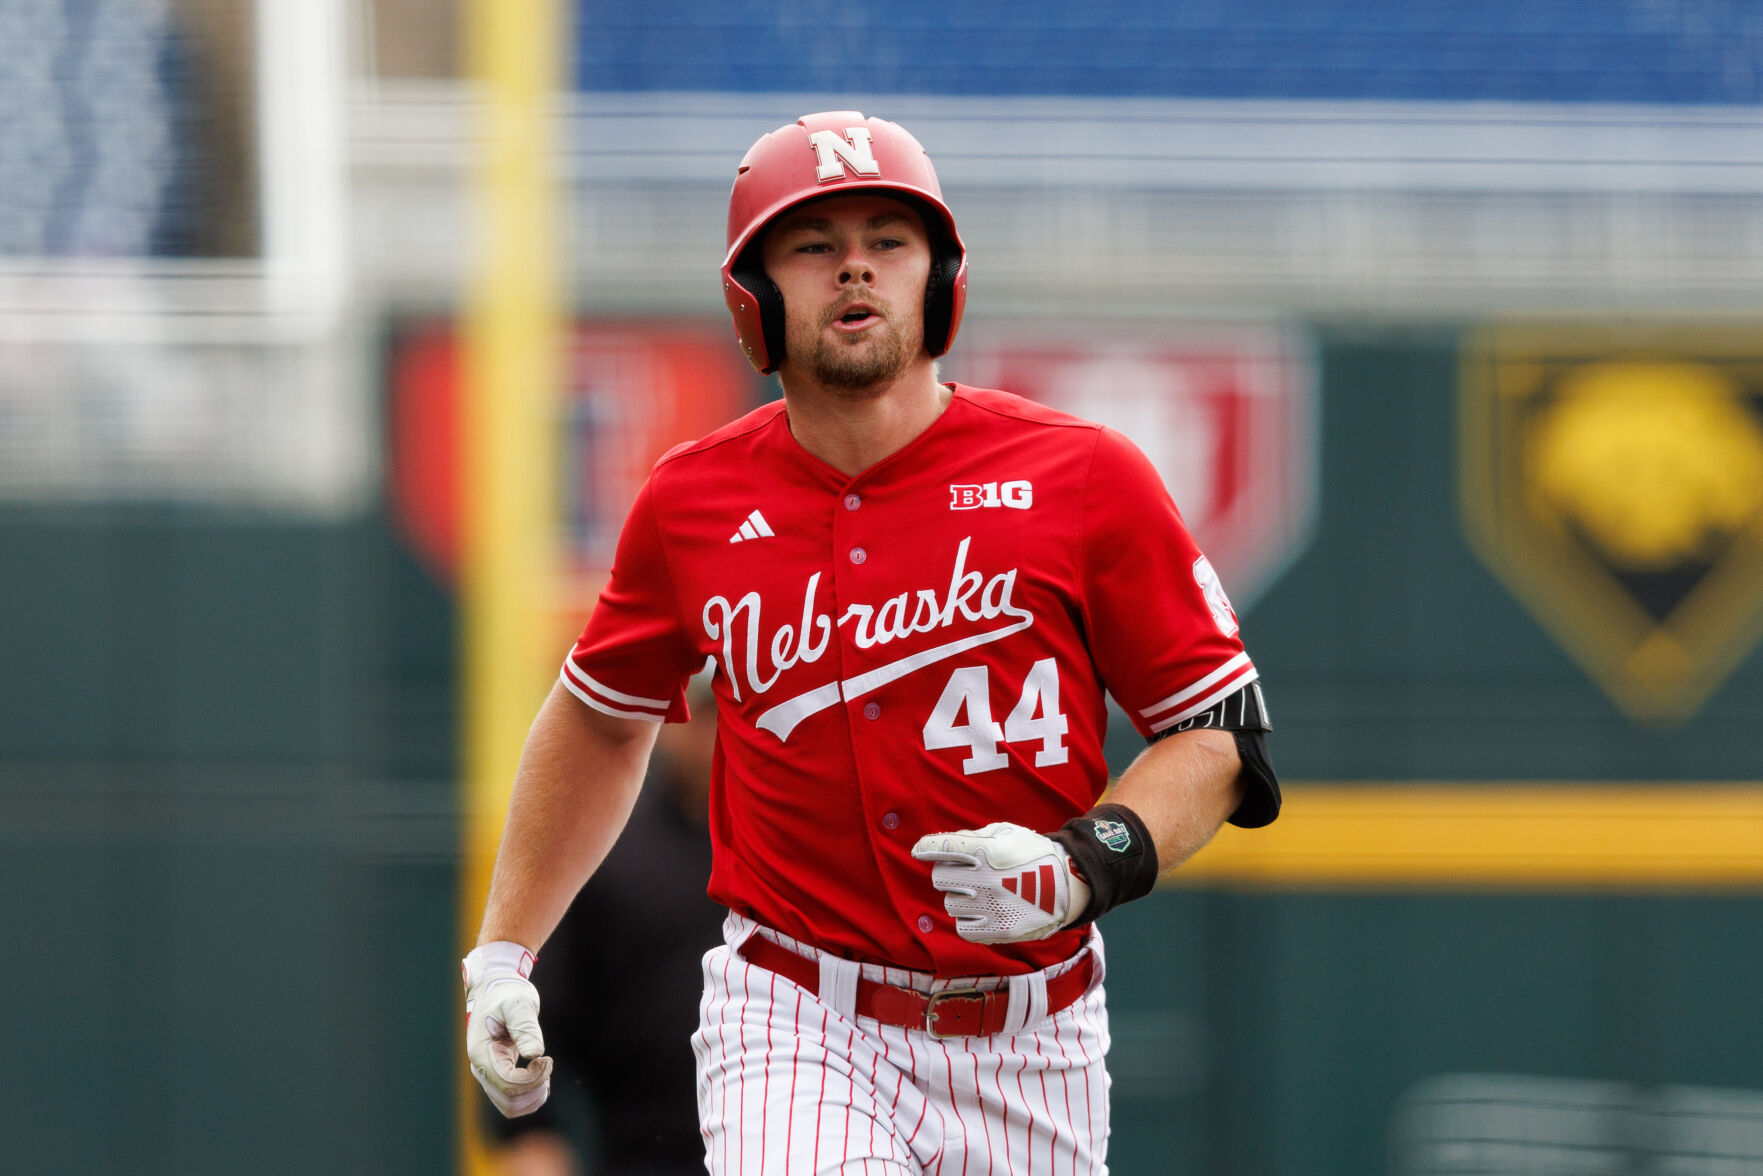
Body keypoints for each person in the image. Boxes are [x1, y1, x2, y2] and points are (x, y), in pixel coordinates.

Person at [462, 111, 1281, 1174]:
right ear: (752, 296)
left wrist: (1083, 866)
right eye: (813, 244)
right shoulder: (690, 501)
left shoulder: (1083, 476)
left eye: (887, 240)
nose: (855, 269)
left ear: (938, 277)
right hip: (798, 1015)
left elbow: (1222, 739)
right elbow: (598, 716)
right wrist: (502, 954)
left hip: (1036, 1036)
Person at [478, 675, 723, 1176]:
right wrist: (529, 1134)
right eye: (697, 710)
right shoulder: (608, 838)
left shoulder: (784, 843)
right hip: (639, 1150)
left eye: (723, 713)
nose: (707, 730)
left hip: (781, 1130)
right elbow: (540, 1000)